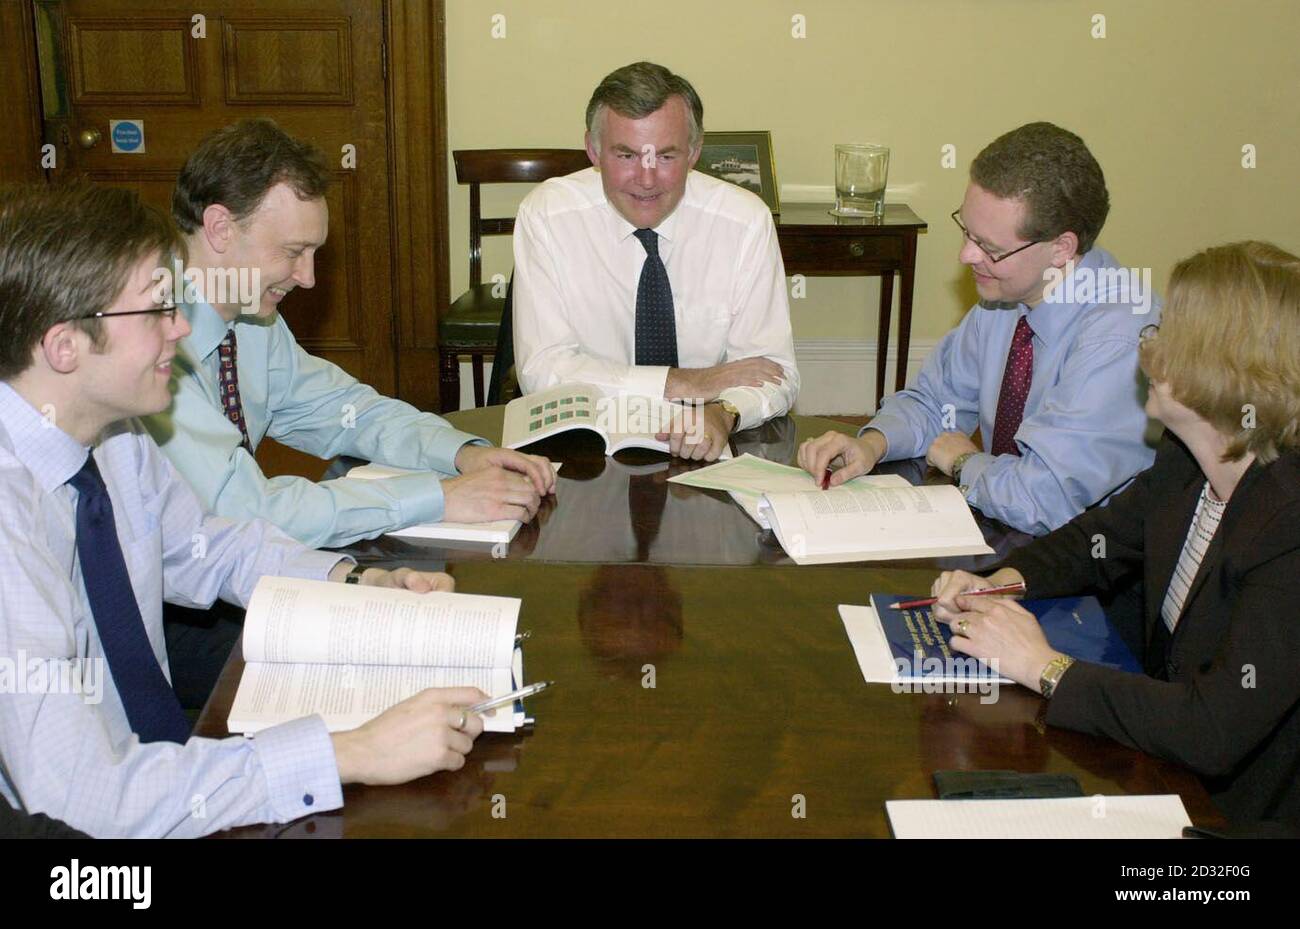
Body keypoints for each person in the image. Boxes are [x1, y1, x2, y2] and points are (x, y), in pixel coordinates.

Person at [0, 182, 489, 838]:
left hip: (162, 772)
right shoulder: (11, 529)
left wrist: (355, 584)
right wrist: (352, 751)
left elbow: (205, 545)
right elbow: (89, 801)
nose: (182, 326)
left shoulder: (109, 431)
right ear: (64, 346)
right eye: (158, 310)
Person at [928, 241, 1300, 827]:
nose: (1147, 341)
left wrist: (1044, 667)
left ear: (1221, 366)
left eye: (1168, 329)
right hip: (1159, 766)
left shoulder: (1287, 525)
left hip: (1237, 818)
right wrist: (1002, 582)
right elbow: (1098, 542)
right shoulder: (1187, 459)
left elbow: (1214, 729)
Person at [143, 119, 555, 550]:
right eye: (292, 252)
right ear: (220, 228)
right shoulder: (147, 340)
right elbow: (242, 511)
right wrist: (436, 497)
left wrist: (459, 453)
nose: (307, 278)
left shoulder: (249, 315)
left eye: (313, 253)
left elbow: (342, 410)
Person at [799, 122, 1158, 535]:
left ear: (1061, 248)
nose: (966, 255)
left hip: (1094, 564)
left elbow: (1044, 501)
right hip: (1012, 531)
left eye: (990, 247)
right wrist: (872, 443)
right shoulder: (1007, 295)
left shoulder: (1119, 341)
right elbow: (935, 401)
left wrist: (965, 462)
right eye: (966, 231)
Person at [512, 61, 799, 463]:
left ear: (695, 153)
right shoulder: (547, 215)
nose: (646, 180)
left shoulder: (745, 221)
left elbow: (773, 371)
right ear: (593, 150)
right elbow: (543, 370)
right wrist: (684, 384)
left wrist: (723, 411)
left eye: (666, 156)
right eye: (626, 154)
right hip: (587, 449)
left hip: (704, 444)